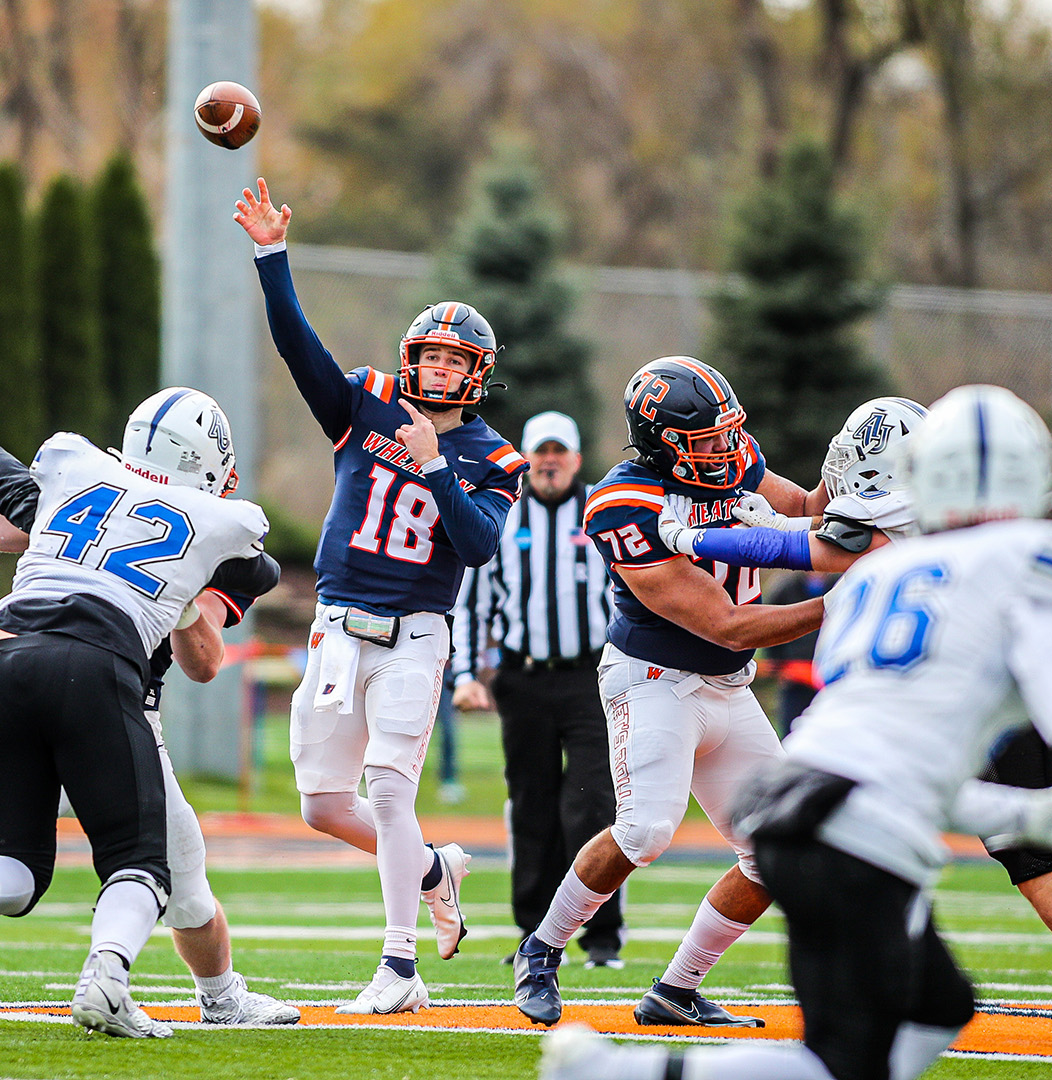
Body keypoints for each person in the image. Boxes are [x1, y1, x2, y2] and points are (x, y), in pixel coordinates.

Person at [540, 384, 1052, 1080]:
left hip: (811, 805)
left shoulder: (883, 574)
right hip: (848, 837)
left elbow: (801, 559)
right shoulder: (1036, 556)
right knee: (845, 1060)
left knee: (938, 1010)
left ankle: (643, 1035)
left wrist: (1022, 814)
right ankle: (619, 1069)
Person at [0, 355, 298, 1026]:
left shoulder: (73, 472)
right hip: (102, 683)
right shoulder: (224, 526)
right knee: (145, 864)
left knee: (166, 872)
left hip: (12, 670)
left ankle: (222, 998)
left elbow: (201, 658)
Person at [237, 177, 522, 1013]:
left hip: (415, 632)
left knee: (391, 787)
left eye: (453, 359)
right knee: (324, 803)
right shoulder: (364, 402)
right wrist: (271, 256)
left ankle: (400, 967)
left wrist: (435, 464)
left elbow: (478, 546)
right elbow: (298, 349)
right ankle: (435, 868)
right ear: (411, 358)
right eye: (429, 354)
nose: (438, 367)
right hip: (336, 626)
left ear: (477, 374)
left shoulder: (492, 456)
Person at [512, 356, 826, 1030]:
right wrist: (848, 599)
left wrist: (865, 479)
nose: (724, 447)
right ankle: (540, 949)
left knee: (778, 848)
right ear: (662, 443)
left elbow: (805, 510)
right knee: (647, 829)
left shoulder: (733, 457)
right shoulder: (623, 504)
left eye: (726, 431)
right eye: (706, 438)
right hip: (655, 679)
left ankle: (676, 989)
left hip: (728, 685)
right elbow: (726, 621)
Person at [449, 410, 621, 968]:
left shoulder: (602, 507)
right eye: (540, 452)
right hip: (522, 678)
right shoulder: (504, 510)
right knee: (531, 805)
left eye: (559, 452)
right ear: (528, 458)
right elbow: (473, 602)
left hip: (591, 677)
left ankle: (600, 935)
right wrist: (467, 675)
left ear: (575, 457)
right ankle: (535, 932)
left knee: (595, 802)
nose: (549, 461)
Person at [762, 572, 831, 734]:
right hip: (794, 672)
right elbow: (768, 625)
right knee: (791, 728)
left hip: (825, 671)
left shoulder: (838, 584)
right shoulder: (785, 586)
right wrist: (777, 665)